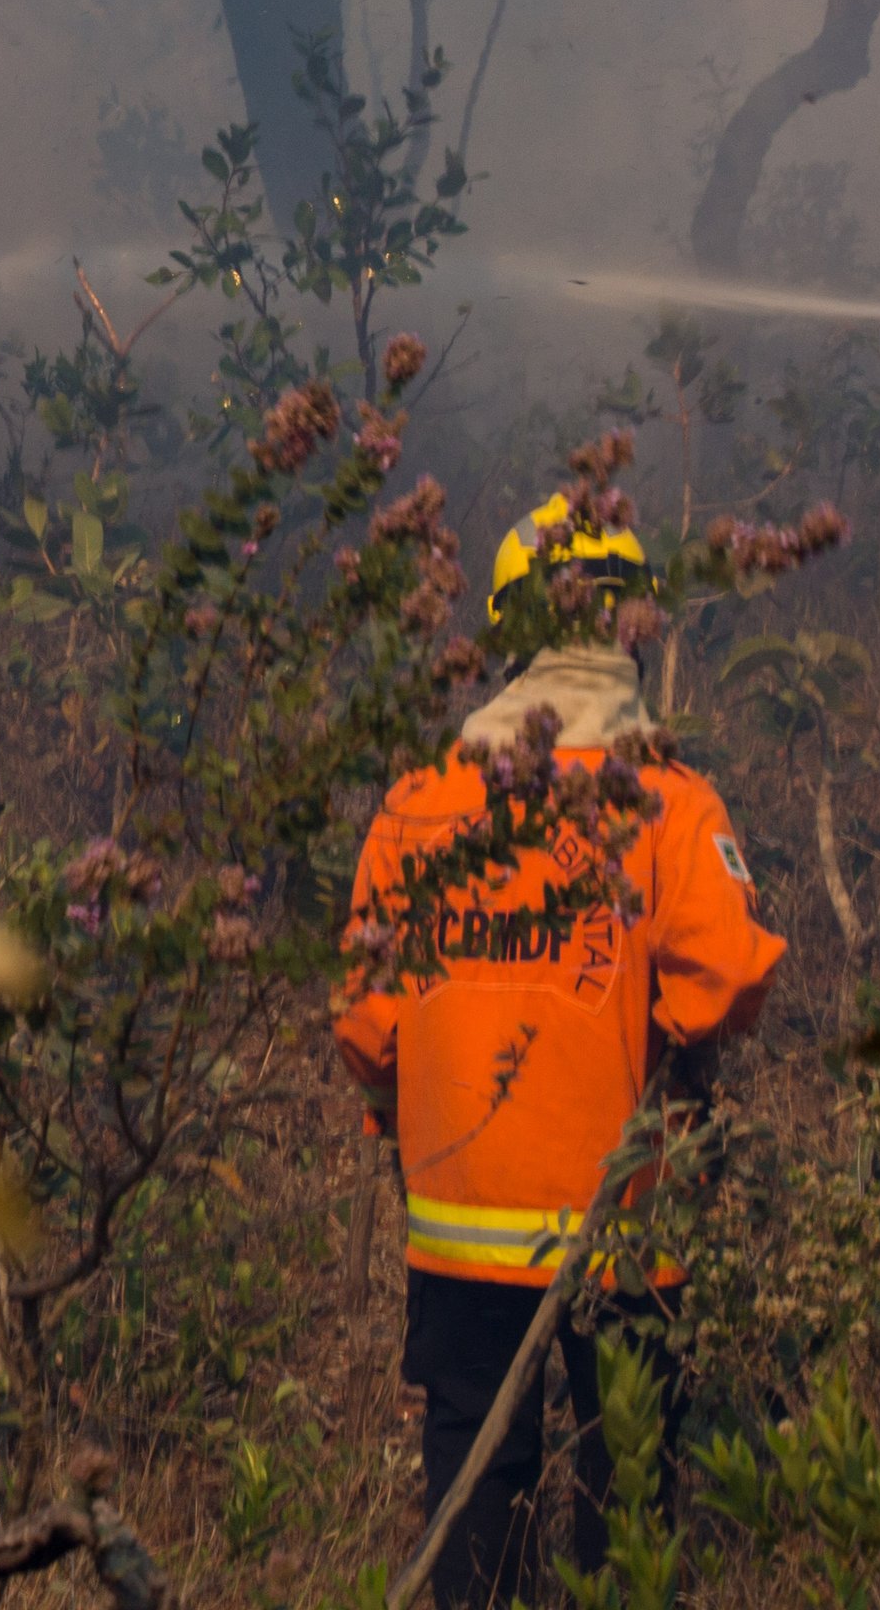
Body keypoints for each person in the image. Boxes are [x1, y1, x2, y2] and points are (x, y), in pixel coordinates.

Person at [335, 497, 785, 1608]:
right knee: (625, 1483)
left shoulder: (420, 800)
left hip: (459, 1230)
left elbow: (365, 1021)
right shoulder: (667, 801)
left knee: (476, 1480)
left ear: (507, 632)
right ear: (634, 630)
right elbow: (730, 980)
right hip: (623, 1232)